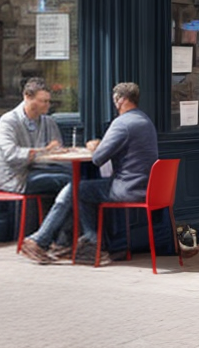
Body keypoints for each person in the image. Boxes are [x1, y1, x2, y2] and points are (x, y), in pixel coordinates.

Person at [22, 82, 158, 265]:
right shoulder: (145, 121)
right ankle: (72, 243)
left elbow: (98, 158)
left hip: (127, 188)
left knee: (78, 189)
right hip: (147, 187)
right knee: (80, 188)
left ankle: (85, 243)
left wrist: (95, 146)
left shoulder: (122, 123)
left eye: (115, 99)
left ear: (120, 100)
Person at [0, 77, 70, 200]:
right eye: (43, 101)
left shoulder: (48, 122)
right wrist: (45, 151)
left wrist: (61, 151)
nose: (47, 105)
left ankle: (59, 213)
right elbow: (11, 155)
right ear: (27, 97)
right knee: (69, 181)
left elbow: (56, 150)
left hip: (40, 169)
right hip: (17, 177)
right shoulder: (8, 121)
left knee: (77, 176)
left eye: (48, 101)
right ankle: (59, 213)